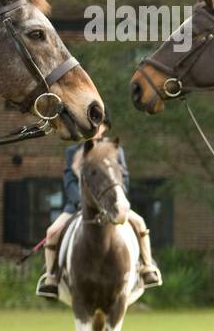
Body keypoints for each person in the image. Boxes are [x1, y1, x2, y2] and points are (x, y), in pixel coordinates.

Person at [36, 124, 162, 298]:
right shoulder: (74, 151)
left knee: (140, 223)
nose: (94, 128)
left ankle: (147, 267)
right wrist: (80, 202)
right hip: (77, 205)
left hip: (111, 203)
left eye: (98, 124)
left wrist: (116, 199)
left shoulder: (113, 149)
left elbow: (122, 178)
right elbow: (69, 180)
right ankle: (51, 277)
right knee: (51, 232)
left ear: (105, 127)